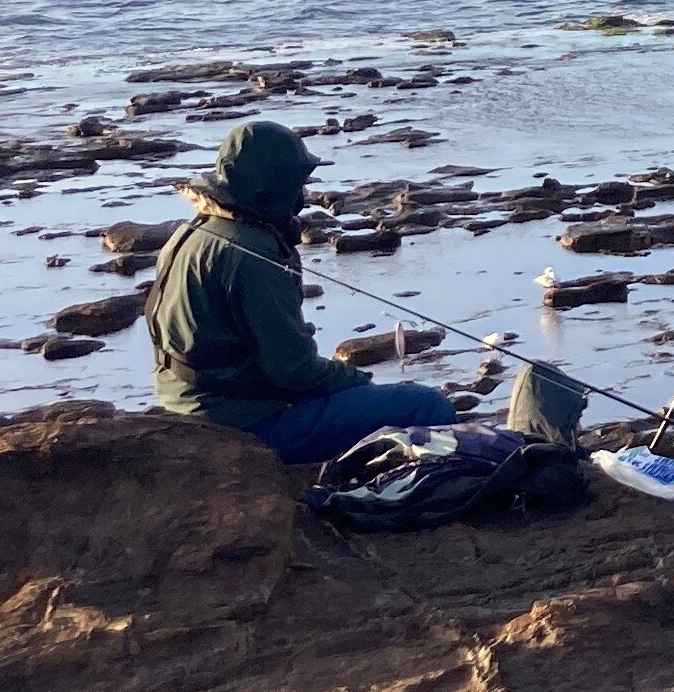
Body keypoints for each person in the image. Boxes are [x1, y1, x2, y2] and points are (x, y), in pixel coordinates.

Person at [146, 120, 457, 463]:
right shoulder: (252, 253)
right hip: (241, 421)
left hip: (185, 400)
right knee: (426, 406)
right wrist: (355, 380)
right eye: (297, 184)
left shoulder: (193, 231)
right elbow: (293, 370)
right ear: (272, 188)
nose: (303, 194)